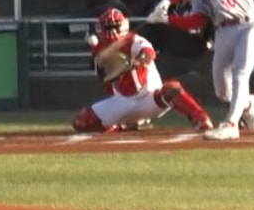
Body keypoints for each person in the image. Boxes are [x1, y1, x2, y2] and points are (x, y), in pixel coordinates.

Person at [145, 0, 254, 141]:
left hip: (247, 25)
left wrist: (168, 0)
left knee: (240, 74)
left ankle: (231, 124)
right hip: (223, 31)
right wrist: (166, 20)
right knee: (222, 91)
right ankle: (249, 104)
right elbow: (198, 21)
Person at [70, 8, 214, 134]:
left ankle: (200, 117)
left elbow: (149, 53)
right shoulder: (100, 50)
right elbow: (104, 77)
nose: (112, 31)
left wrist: (134, 63)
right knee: (81, 122)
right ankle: (119, 123)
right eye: (108, 28)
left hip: (148, 97)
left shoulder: (134, 41)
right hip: (122, 101)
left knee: (171, 88)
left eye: (114, 27)